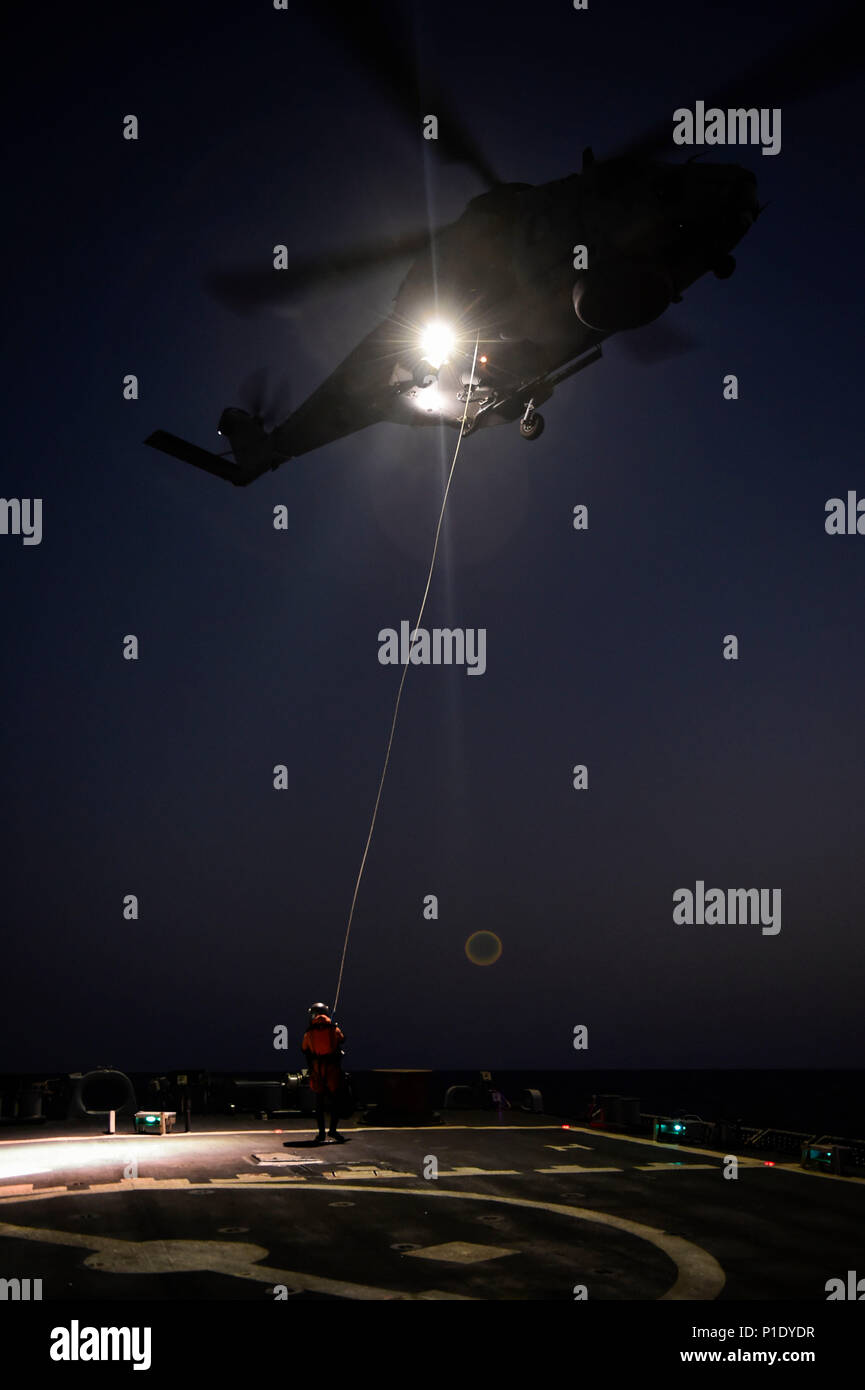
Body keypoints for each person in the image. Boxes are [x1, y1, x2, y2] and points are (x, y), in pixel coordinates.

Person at [302, 1003, 346, 1143]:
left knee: (319, 1103)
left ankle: (321, 1133)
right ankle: (333, 1130)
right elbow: (342, 1040)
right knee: (335, 1101)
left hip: (317, 1069)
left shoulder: (309, 1032)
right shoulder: (334, 1029)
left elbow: (304, 1049)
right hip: (332, 1069)